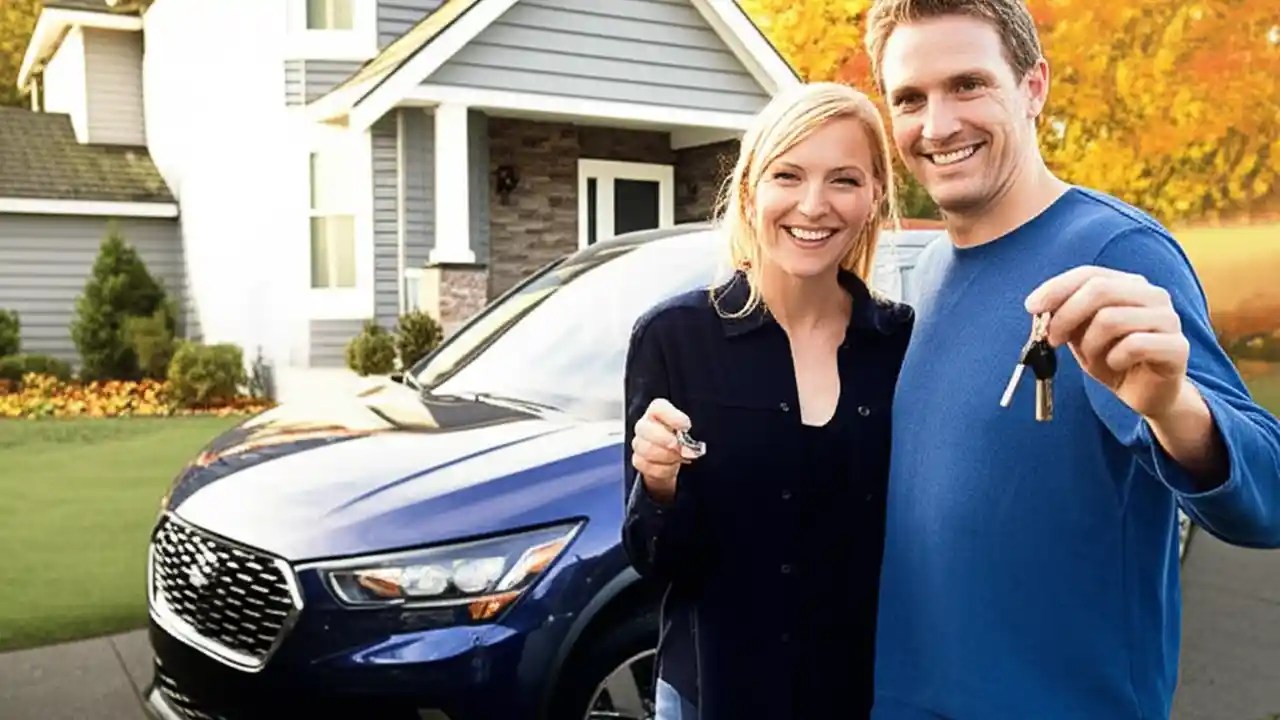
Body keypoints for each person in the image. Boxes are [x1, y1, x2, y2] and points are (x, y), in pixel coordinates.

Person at [860, 0, 1280, 717]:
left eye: (968, 84)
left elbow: (1267, 495)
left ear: (1033, 87)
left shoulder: (1117, 252)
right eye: (910, 98)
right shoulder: (926, 270)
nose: (937, 125)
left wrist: (1176, 409)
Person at [620, 81, 914, 720]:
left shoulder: (900, 345)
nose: (813, 205)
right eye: (788, 175)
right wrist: (661, 485)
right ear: (751, 190)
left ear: (874, 198)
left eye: (843, 180)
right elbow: (655, 557)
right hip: (712, 691)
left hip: (860, 693)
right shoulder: (675, 339)